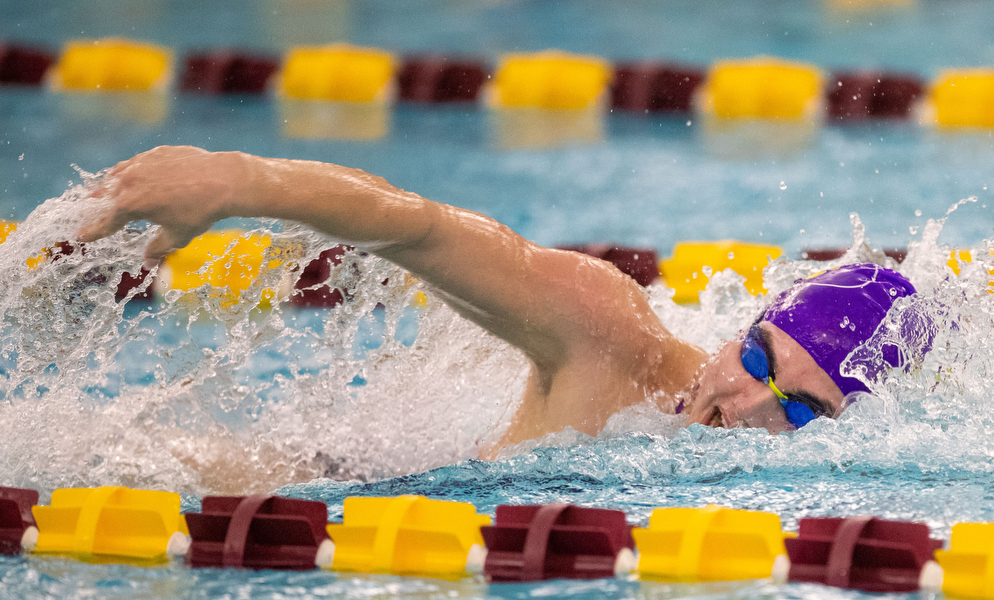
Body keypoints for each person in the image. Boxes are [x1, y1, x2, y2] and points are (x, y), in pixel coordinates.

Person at [77, 146, 917, 458]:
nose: (743, 404)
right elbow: (420, 229)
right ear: (748, 324)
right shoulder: (606, 334)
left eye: (800, 410)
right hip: (266, 488)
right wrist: (244, 181)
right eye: (760, 361)